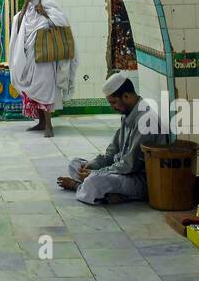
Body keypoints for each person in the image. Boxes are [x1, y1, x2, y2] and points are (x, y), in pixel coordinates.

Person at [57, 71, 163, 203]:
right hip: (122, 171)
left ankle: (79, 186)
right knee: (75, 164)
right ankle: (105, 192)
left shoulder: (146, 120)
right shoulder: (127, 115)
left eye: (113, 103)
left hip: (139, 180)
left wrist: (96, 173)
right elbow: (112, 153)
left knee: (95, 181)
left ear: (126, 96)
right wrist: (92, 165)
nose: (113, 107)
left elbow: (129, 166)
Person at [7, 0, 75, 137]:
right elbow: (16, 30)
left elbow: (60, 27)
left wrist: (42, 12)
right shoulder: (22, 15)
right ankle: (41, 122)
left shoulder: (50, 7)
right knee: (32, 88)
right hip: (30, 57)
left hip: (45, 57)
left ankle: (49, 125)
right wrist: (25, 7)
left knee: (46, 88)